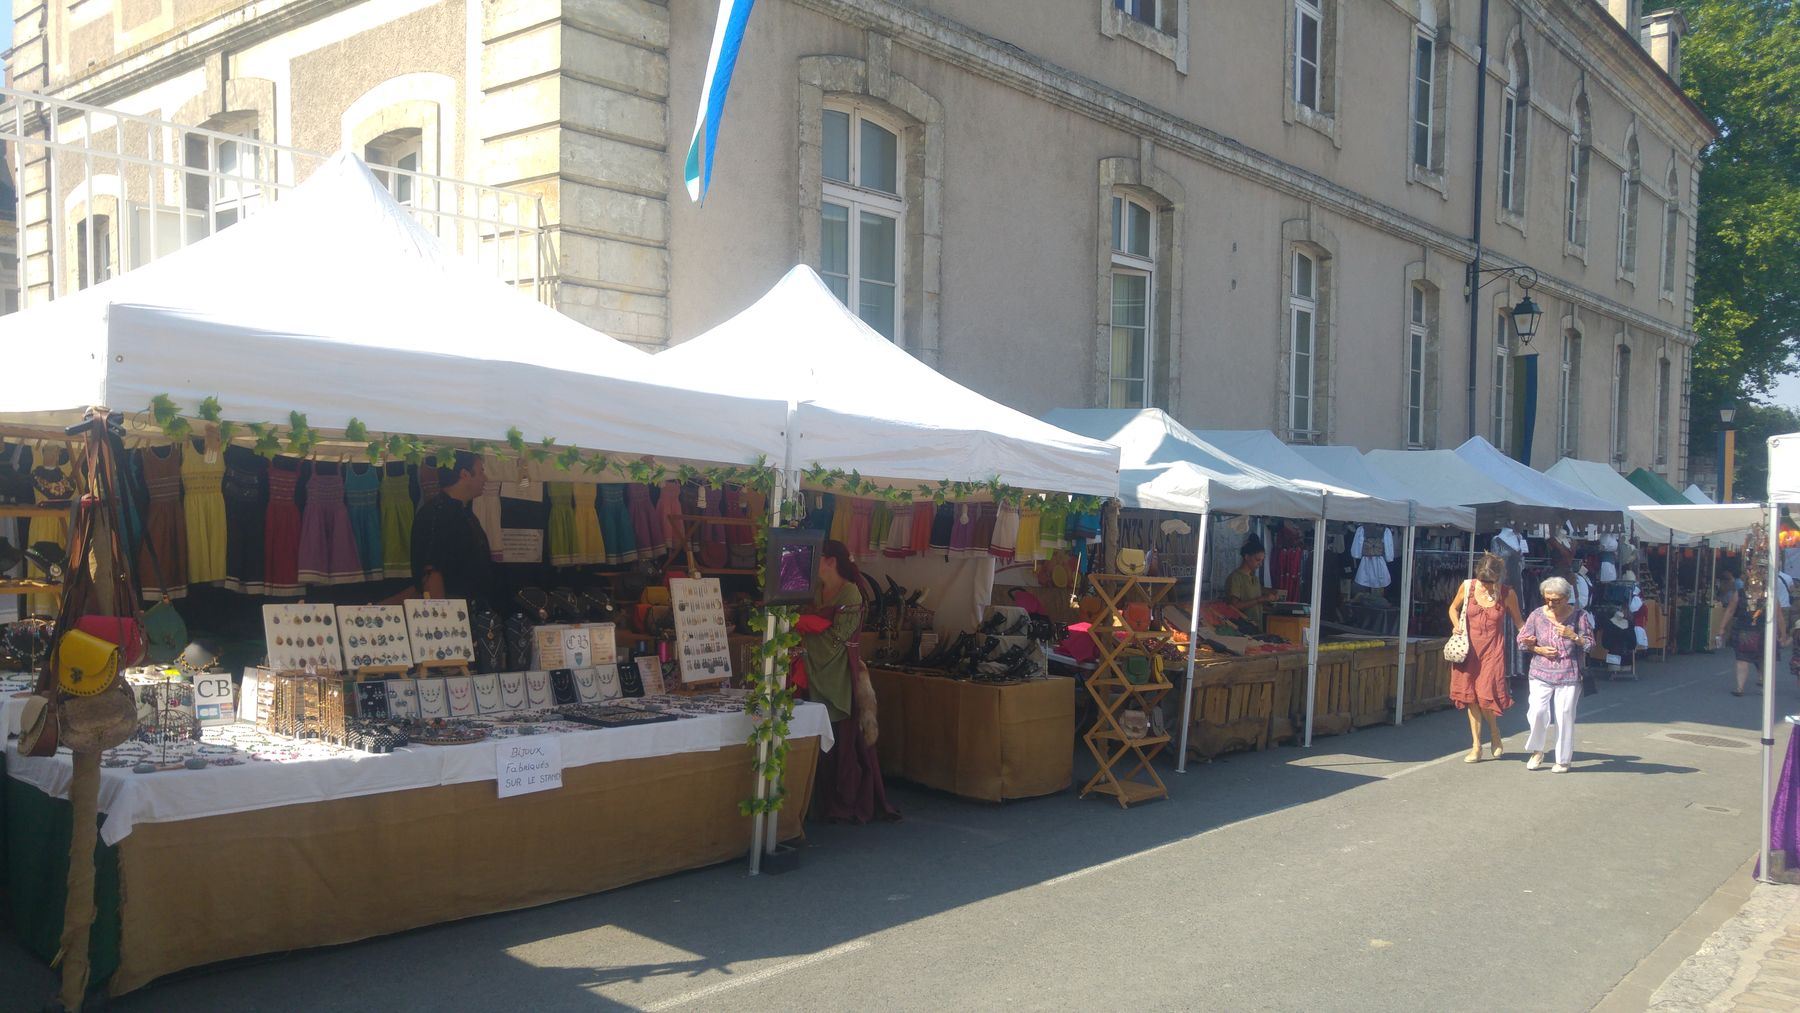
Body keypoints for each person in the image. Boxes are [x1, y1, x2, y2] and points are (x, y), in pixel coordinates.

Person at [793, 539, 897, 823]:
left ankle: (842, 802)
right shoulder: (816, 590)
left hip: (839, 671)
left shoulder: (851, 593)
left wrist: (804, 642)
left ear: (831, 561)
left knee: (841, 740)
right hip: (814, 668)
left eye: (818, 557)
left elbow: (839, 638)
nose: (814, 564)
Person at [1448, 553, 1523, 762]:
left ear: (1499, 578)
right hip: (1468, 649)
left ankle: (1495, 733)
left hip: (1492, 652)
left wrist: (1533, 640)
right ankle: (1476, 746)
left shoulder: (1508, 594)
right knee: (1470, 697)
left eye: (1491, 582)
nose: (1487, 586)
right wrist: (1456, 625)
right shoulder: (1468, 587)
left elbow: (1519, 623)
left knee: (1485, 696)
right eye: (1484, 581)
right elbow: (1453, 608)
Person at [1518, 576, 1596, 773]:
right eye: (1548, 599)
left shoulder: (1580, 616)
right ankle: (1537, 750)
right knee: (1537, 711)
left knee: (1564, 715)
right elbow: (1522, 641)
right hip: (1540, 671)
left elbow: (1590, 645)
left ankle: (1563, 759)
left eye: (1556, 600)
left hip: (1569, 673)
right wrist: (1536, 648)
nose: (1551, 603)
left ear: (1566, 598)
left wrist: (1574, 637)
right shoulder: (1537, 615)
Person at [409, 451, 494, 605]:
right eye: (481, 472)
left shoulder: (463, 511)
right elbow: (431, 572)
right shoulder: (436, 514)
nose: (485, 478)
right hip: (455, 613)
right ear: (464, 474)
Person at [1716, 565, 1784, 697]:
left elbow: (1779, 615)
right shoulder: (1741, 593)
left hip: (1762, 631)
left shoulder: (1769, 595)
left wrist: (1782, 632)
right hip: (1746, 630)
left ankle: (1761, 684)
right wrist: (1721, 627)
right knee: (1744, 659)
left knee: (1761, 659)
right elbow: (1730, 610)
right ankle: (1740, 687)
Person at [1225, 534, 1280, 628]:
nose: (1260, 564)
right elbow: (1233, 606)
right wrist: (1260, 599)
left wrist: (1271, 594)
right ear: (1246, 557)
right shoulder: (1235, 578)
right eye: (1258, 560)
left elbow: (1255, 592)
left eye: (1262, 561)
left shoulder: (1254, 578)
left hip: (1256, 626)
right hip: (1241, 628)